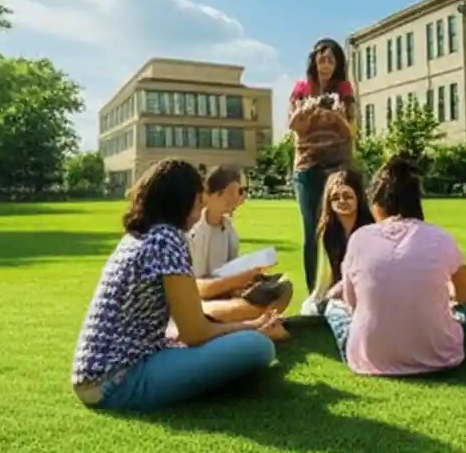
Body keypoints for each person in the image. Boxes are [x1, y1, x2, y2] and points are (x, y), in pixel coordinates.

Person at [71, 159, 282, 413]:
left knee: (240, 340)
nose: (202, 203)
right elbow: (194, 333)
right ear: (185, 200)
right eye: (198, 196)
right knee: (258, 346)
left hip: (99, 374)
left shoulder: (140, 236)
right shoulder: (166, 239)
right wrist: (254, 327)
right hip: (116, 382)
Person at [322, 157, 466, 375]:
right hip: (441, 355)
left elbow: (353, 305)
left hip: (371, 357)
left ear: (376, 204)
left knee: (334, 306)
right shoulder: (440, 237)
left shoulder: (360, 238)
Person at [287, 38, 356, 302]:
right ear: (314, 61)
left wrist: (338, 114)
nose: (326, 64)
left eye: (331, 60)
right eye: (322, 59)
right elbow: (294, 125)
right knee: (310, 232)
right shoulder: (301, 89)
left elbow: (351, 130)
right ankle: (312, 296)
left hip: (338, 165)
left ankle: (342, 289)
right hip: (307, 165)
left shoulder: (345, 90)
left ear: (338, 64)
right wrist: (311, 106)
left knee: (339, 227)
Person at [189, 165, 293, 324]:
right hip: (198, 302)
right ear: (227, 190)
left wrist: (248, 278)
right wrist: (237, 279)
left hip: (224, 295)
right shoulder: (193, 230)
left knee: (283, 285)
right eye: (241, 190)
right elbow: (194, 289)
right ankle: (257, 322)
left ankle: (254, 320)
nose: (243, 197)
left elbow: (227, 273)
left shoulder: (228, 228)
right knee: (219, 309)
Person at [300, 167, 375, 316]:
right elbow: (323, 278)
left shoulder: (370, 230)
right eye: (335, 197)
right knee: (308, 308)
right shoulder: (327, 232)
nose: (341, 201)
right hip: (337, 294)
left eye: (347, 196)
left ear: (358, 198)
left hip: (366, 293)